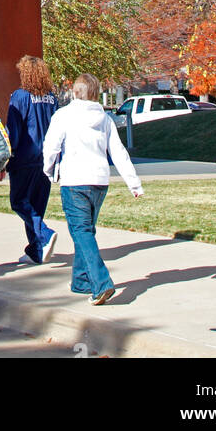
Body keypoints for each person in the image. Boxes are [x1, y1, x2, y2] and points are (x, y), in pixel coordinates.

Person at [42, 72, 143, 304]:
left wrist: (48, 171)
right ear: (96, 93)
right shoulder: (105, 119)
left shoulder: (63, 116)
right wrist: (133, 183)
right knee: (86, 231)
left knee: (81, 231)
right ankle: (81, 281)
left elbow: (51, 147)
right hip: (99, 182)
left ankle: (101, 283)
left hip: (74, 181)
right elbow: (118, 152)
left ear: (75, 92)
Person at [6, 55, 58, 265]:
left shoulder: (19, 97)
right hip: (46, 158)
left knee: (19, 202)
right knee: (36, 205)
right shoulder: (52, 98)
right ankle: (37, 250)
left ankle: (44, 234)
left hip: (25, 157)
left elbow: (14, 131)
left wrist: (7, 158)